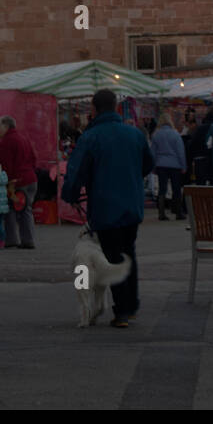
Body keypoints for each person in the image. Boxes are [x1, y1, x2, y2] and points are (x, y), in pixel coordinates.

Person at [61, 87, 154, 328]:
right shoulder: (134, 134)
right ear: (115, 107)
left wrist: (69, 194)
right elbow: (148, 164)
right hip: (132, 205)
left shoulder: (91, 137)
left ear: (93, 109)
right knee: (128, 251)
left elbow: (76, 171)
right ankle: (130, 306)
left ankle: (122, 310)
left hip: (104, 206)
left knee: (112, 255)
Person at [0, 114, 38, 249]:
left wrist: (6, 183)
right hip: (31, 179)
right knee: (26, 209)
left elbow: (6, 166)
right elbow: (33, 158)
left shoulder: (6, 142)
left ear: (6, 126)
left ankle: (15, 239)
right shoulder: (24, 138)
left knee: (11, 209)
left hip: (17, 181)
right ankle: (26, 239)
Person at [150, 112, 187, 220]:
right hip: (175, 165)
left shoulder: (156, 135)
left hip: (161, 164)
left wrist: (153, 167)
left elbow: (153, 152)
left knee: (162, 189)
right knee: (176, 189)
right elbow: (180, 151)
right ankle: (178, 212)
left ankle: (161, 213)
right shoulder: (175, 134)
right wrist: (183, 166)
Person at [188, 105, 213, 185]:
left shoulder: (200, 128)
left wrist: (191, 158)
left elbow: (192, 144)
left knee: (200, 184)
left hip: (200, 159)